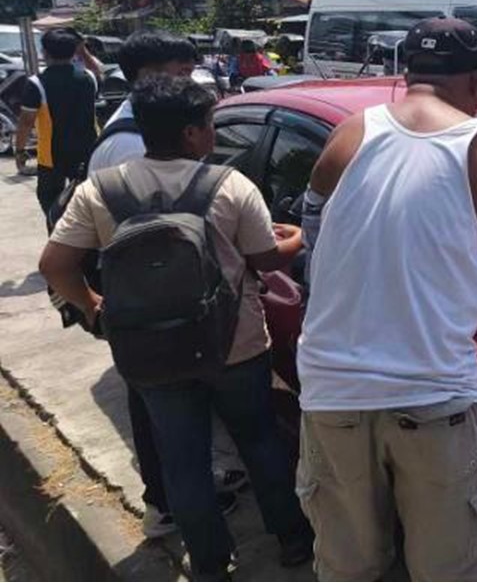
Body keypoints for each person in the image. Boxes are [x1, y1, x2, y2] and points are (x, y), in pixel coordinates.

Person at [39, 75, 314, 579]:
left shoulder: (101, 190)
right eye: (209, 124)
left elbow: (55, 263)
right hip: (235, 344)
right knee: (259, 442)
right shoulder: (230, 186)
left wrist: (95, 306)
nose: (213, 133)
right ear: (191, 133)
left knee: (183, 460)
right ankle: (293, 540)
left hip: (150, 353)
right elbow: (267, 257)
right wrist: (296, 237)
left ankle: (210, 561)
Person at [295, 18, 477, 581]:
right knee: (453, 571)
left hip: (332, 390)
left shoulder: (349, 132)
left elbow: (314, 233)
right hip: (432, 390)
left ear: (406, 73)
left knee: (348, 567)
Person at [14, 28, 100, 217]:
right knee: (90, 200)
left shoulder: (36, 83)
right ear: (74, 51)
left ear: (44, 53)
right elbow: (97, 71)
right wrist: (83, 50)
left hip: (52, 155)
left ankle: (60, 236)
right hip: (88, 150)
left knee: (50, 199)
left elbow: (26, 123)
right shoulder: (89, 79)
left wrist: (19, 150)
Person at [90, 31, 198, 173]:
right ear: (147, 76)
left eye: (190, 74)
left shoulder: (148, 125)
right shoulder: (134, 147)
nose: (192, 83)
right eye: (182, 73)